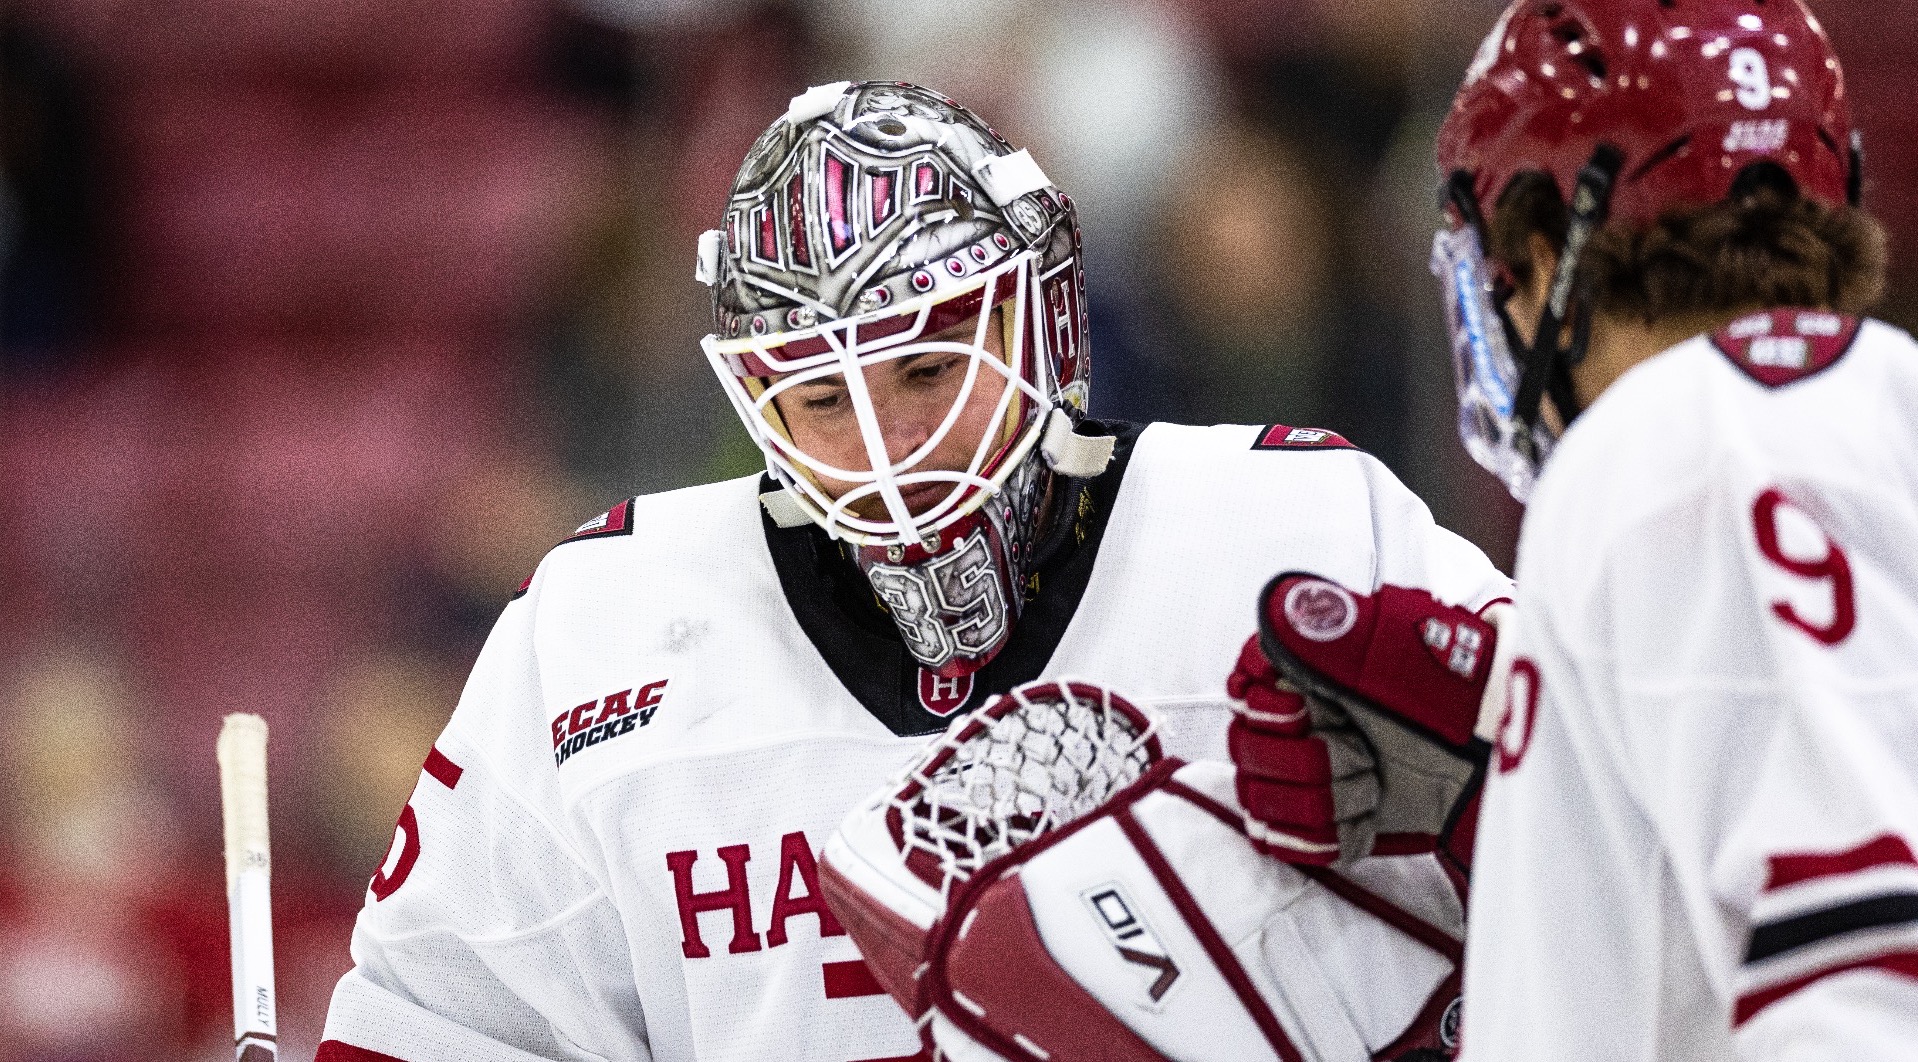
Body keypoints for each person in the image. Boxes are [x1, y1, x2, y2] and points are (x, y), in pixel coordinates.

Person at [315, 81, 1512, 1062]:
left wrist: (1480, 824)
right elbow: (440, 1027)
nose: (889, 455)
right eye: (823, 397)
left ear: (1040, 319)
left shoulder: (1302, 533)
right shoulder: (602, 628)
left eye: (928, 373)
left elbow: (1626, 861)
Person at [1232, 1, 1918, 1058]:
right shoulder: (1860, 411)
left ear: (1552, 250)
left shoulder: (1688, 441)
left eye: (1501, 269)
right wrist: (1513, 783)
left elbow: (1861, 971)